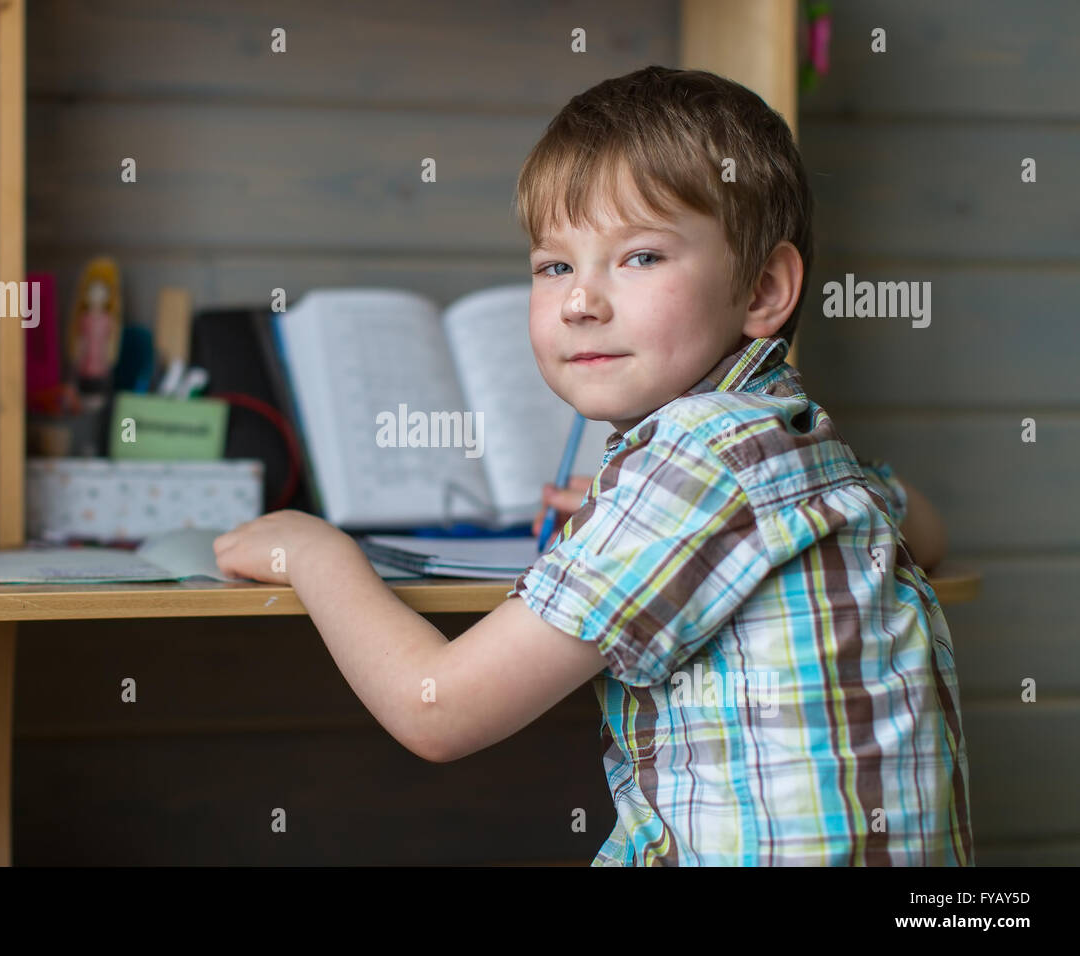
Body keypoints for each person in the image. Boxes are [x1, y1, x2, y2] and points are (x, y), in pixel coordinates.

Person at [214, 65, 972, 865]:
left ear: (763, 289)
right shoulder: (794, 439)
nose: (581, 301)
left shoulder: (692, 457)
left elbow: (434, 710)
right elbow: (924, 522)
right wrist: (637, 522)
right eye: (555, 266)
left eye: (640, 257)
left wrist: (313, 549)